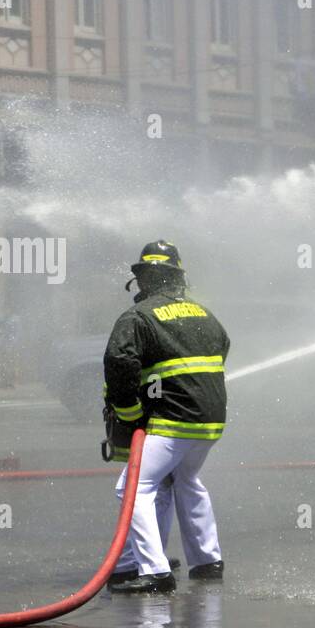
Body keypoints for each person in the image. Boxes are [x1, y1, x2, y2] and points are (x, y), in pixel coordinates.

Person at [102, 240, 230, 593]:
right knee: (186, 481)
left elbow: (120, 364)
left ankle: (155, 571)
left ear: (143, 279)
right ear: (177, 279)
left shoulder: (137, 317)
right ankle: (207, 561)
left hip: (172, 420)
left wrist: (130, 414)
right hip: (209, 421)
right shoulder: (203, 313)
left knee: (134, 486)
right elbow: (223, 349)